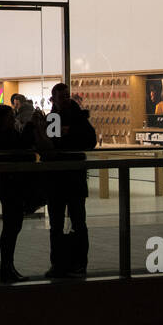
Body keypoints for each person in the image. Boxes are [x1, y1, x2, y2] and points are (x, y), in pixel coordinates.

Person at [34, 82, 96, 279]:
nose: (65, 99)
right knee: (60, 224)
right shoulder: (59, 118)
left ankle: (75, 263)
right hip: (63, 178)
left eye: (67, 95)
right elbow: (55, 145)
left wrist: (66, 136)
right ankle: (60, 263)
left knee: (76, 222)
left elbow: (88, 141)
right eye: (62, 96)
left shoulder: (74, 116)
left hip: (66, 177)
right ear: (55, 99)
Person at [0, 103, 35, 282]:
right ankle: (6, 267)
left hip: (11, 186)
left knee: (12, 227)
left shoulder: (3, 135)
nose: (13, 120)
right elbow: (21, 150)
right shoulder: (5, 136)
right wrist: (30, 127)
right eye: (10, 117)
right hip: (11, 187)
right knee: (11, 227)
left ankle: (8, 266)